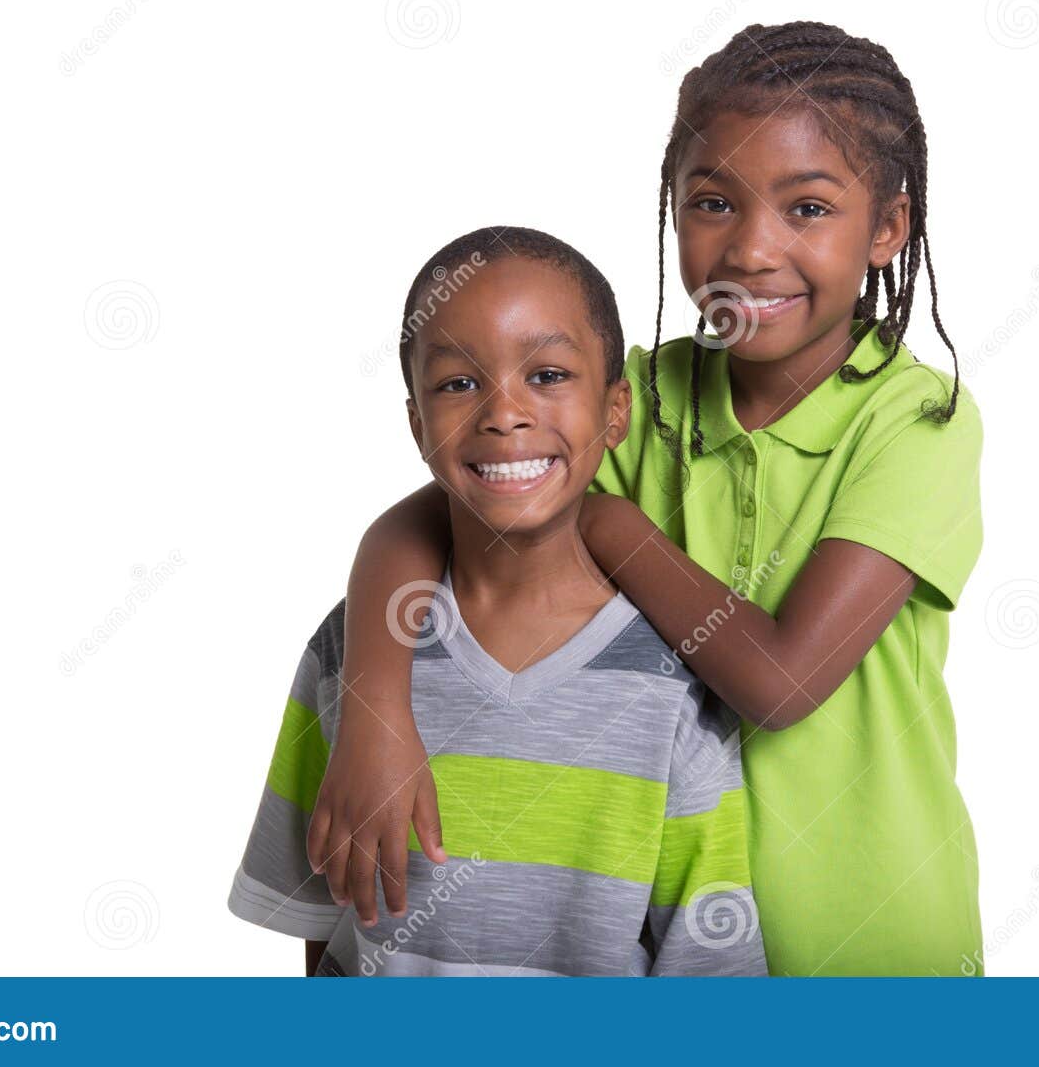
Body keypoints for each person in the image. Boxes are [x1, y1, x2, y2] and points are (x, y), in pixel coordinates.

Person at [309, 22, 986, 976]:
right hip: (655, 943)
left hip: (872, 945)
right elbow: (430, 515)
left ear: (887, 228)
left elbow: (781, 683)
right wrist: (377, 711)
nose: (751, 248)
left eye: (808, 208)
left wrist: (609, 520)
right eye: (713, 201)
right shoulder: (634, 396)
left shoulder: (918, 422)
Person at [228, 226, 766, 977]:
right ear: (417, 424)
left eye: (547, 374)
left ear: (615, 413)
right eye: (457, 383)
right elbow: (322, 926)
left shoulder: (668, 687)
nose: (503, 413)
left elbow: (709, 975)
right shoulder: (349, 647)